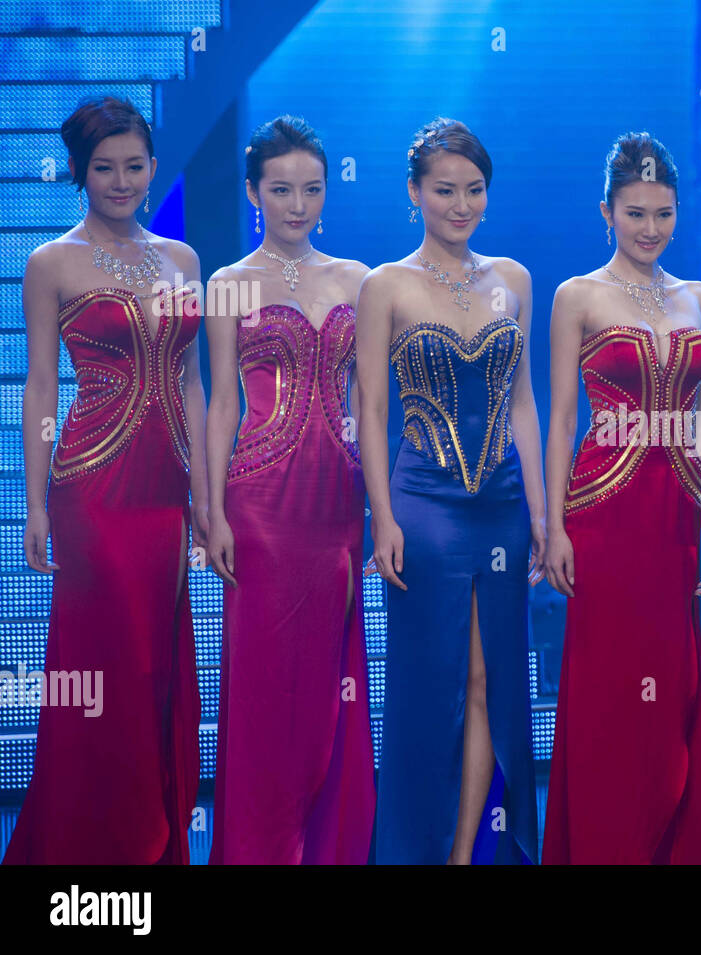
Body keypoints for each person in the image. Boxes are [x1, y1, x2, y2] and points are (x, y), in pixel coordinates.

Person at [5, 96, 206, 864]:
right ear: (81, 175)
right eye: (104, 169)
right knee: (107, 664)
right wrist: (34, 504)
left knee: (156, 662)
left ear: (152, 166)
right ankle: (98, 843)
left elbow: (192, 384)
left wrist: (206, 499)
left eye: (133, 166)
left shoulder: (182, 260)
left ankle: (150, 838)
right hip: (91, 488)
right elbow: (41, 388)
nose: (121, 182)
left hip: (167, 492)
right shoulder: (52, 262)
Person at [358, 118, 544, 864]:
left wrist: (542, 514)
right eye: (445, 191)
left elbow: (524, 402)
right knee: (433, 684)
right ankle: (417, 847)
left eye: (473, 191)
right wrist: (382, 518)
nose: (461, 205)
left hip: (501, 503)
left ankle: (466, 853)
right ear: (414, 194)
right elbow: (370, 410)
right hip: (423, 504)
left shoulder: (515, 280)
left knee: (490, 678)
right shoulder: (387, 285)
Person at [542, 131, 701, 864]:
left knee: (671, 684)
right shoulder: (578, 296)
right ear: (607, 211)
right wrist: (551, 525)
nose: (651, 228)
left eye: (664, 213)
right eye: (636, 212)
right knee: (606, 694)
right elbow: (559, 417)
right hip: (603, 517)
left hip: (675, 516)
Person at [206, 115, 375, 864]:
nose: (298, 205)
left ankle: (327, 846)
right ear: (253, 193)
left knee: (328, 686)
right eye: (281, 190)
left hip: (338, 501)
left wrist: (381, 509)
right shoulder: (226, 284)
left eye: (311, 189)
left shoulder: (358, 280)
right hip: (260, 505)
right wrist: (208, 510)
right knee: (266, 687)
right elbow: (220, 404)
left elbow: (370, 406)